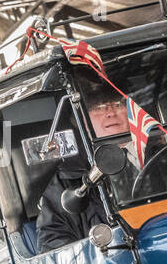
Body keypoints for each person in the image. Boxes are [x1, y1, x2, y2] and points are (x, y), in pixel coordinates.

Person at [35, 85, 127, 251]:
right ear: (84, 122)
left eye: (118, 105)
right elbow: (52, 242)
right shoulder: (67, 181)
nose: (110, 113)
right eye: (99, 108)